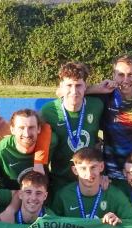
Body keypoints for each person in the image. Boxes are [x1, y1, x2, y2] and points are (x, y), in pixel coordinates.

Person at [39, 61, 104, 191]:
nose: (74, 91)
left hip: (90, 177)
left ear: (85, 86)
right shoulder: (48, 111)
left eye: (78, 85)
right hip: (59, 180)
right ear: (61, 87)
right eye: (69, 85)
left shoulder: (97, 105)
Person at [50, 147, 132, 226]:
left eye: (93, 167)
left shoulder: (114, 195)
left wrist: (120, 221)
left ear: (101, 167)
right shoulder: (63, 195)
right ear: (75, 170)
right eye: (83, 168)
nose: (89, 174)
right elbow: (50, 224)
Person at [0, 109, 53, 191]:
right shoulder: (2, 149)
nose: (26, 134)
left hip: (39, 197)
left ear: (39, 129)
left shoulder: (49, 144)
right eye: (21, 128)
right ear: (12, 129)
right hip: (9, 195)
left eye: (31, 127)